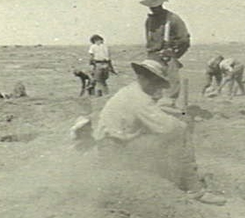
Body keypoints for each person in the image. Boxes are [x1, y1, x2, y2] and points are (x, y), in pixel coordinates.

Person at [92, 59, 225, 206]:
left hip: (112, 144)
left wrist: (179, 113)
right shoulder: (138, 98)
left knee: (164, 134)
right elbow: (168, 127)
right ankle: (195, 189)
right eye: (155, 82)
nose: (156, 87)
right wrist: (184, 121)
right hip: (116, 149)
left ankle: (178, 178)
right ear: (143, 78)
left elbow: (155, 111)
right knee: (179, 133)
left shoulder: (131, 91)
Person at [141, 0, 191, 108]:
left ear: (161, 3)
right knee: (148, 94)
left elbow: (185, 41)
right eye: (151, 5)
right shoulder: (149, 21)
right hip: (152, 59)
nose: (153, 8)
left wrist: (174, 54)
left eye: (155, 5)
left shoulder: (173, 19)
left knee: (169, 96)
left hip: (167, 60)